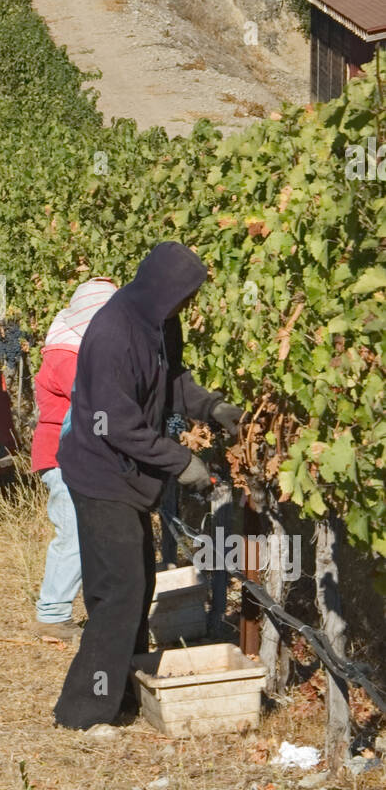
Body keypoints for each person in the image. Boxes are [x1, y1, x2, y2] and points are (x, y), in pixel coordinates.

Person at [53, 242, 242, 733]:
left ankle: (121, 691)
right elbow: (115, 424)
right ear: (161, 287)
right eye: (183, 296)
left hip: (125, 472)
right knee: (121, 588)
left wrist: (212, 407)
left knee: (134, 579)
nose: (186, 306)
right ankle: (84, 711)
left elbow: (172, 379)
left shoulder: (157, 320)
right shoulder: (115, 334)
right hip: (99, 472)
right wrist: (182, 463)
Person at [32, 277, 118, 641]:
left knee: (87, 533)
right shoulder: (64, 357)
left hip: (75, 456)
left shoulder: (73, 349)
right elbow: (97, 396)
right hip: (63, 458)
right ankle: (51, 614)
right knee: (73, 536)